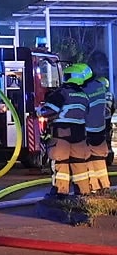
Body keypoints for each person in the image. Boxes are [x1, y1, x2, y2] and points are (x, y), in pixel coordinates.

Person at [39, 64, 91, 196]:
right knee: (79, 164)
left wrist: (39, 112)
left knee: (61, 163)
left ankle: (60, 192)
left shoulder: (61, 93)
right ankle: (83, 192)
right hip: (79, 135)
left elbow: (49, 111)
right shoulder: (84, 96)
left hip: (62, 134)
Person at [80, 66, 111, 193]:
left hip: (87, 130)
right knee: (99, 159)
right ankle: (105, 185)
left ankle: (93, 187)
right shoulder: (99, 87)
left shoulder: (83, 91)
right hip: (100, 129)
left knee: (87, 159)